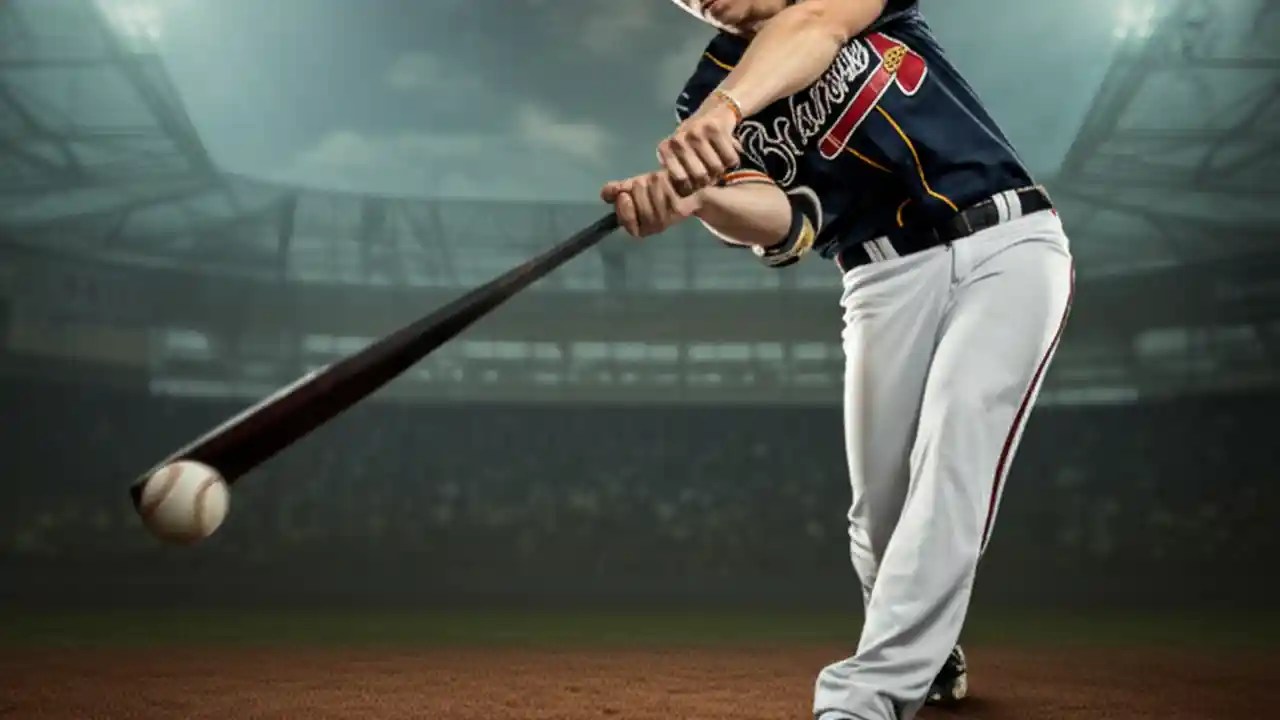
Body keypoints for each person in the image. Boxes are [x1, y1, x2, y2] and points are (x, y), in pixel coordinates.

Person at [599, 1, 1074, 718]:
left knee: (953, 451)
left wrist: (726, 115)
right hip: (881, 278)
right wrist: (703, 198)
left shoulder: (739, 85)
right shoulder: (701, 95)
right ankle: (928, 648)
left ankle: (866, 696)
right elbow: (787, 222)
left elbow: (817, 24)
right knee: (878, 510)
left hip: (1006, 242)